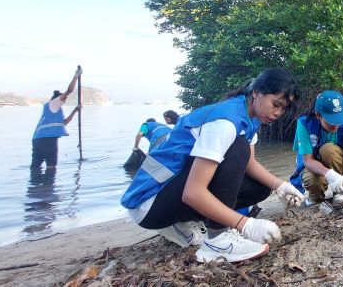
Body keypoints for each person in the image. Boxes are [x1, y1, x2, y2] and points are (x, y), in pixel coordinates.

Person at [120, 68, 305, 263]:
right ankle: (218, 239)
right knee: (238, 147)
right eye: (276, 104)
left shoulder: (250, 118)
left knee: (259, 188)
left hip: (166, 197)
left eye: (283, 109)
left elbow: (249, 163)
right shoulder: (225, 122)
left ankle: (179, 222)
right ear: (256, 93)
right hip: (148, 203)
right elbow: (193, 192)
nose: (277, 113)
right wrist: (245, 224)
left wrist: (280, 186)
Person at [31, 67, 83, 169]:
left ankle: (36, 183)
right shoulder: (54, 103)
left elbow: (63, 123)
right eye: (64, 98)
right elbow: (69, 90)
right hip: (48, 140)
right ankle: (49, 184)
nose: (64, 100)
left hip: (38, 140)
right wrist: (76, 76)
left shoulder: (52, 110)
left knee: (35, 166)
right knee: (51, 167)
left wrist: (74, 111)